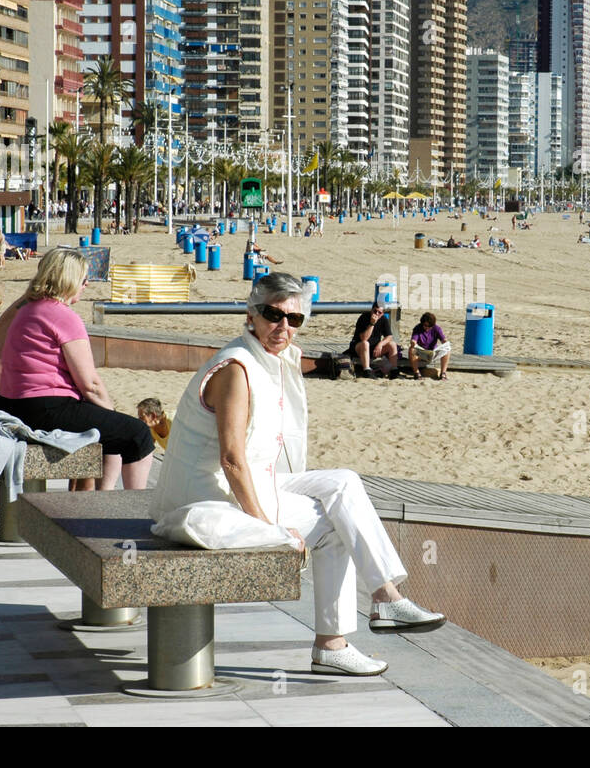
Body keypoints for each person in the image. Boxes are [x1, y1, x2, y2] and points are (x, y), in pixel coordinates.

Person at [150, 273, 445, 676]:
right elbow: (232, 459)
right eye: (273, 315)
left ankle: (386, 595)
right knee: (335, 524)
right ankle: (332, 643)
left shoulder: (268, 360)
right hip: (206, 504)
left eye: (294, 319)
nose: (283, 327)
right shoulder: (237, 368)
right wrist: (267, 527)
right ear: (251, 314)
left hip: (245, 485)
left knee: (344, 483)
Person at [0, 247, 154, 490]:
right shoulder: (63, 316)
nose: (87, 285)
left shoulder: (26, 311)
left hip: (16, 405)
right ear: (68, 280)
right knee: (138, 435)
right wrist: (111, 412)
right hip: (46, 410)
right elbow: (90, 384)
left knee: (112, 430)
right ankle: (135, 510)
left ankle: (102, 498)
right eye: (84, 279)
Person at [349, 299, 398, 378]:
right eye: (375, 311)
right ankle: (367, 370)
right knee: (365, 343)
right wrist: (372, 323)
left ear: (383, 313)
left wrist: (380, 344)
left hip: (374, 349)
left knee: (392, 344)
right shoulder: (364, 318)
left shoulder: (383, 319)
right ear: (371, 310)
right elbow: (364, 338)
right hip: (359, 348)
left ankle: (394, 370)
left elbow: (389, 336)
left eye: (380, 312)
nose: (377, 314)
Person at [409, 312, 451, 381]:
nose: (427, 328)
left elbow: (443, 340)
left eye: (430, 326)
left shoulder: (437, 328)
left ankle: (443, 373)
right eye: (425, 325)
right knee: (411, 349)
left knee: (447, 350)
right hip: (422, 354)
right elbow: (414, 340)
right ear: (422, 323)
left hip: (433, 353)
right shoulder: (417, 328)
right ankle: (416, 373)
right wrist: (413, 342)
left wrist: (445, 342)